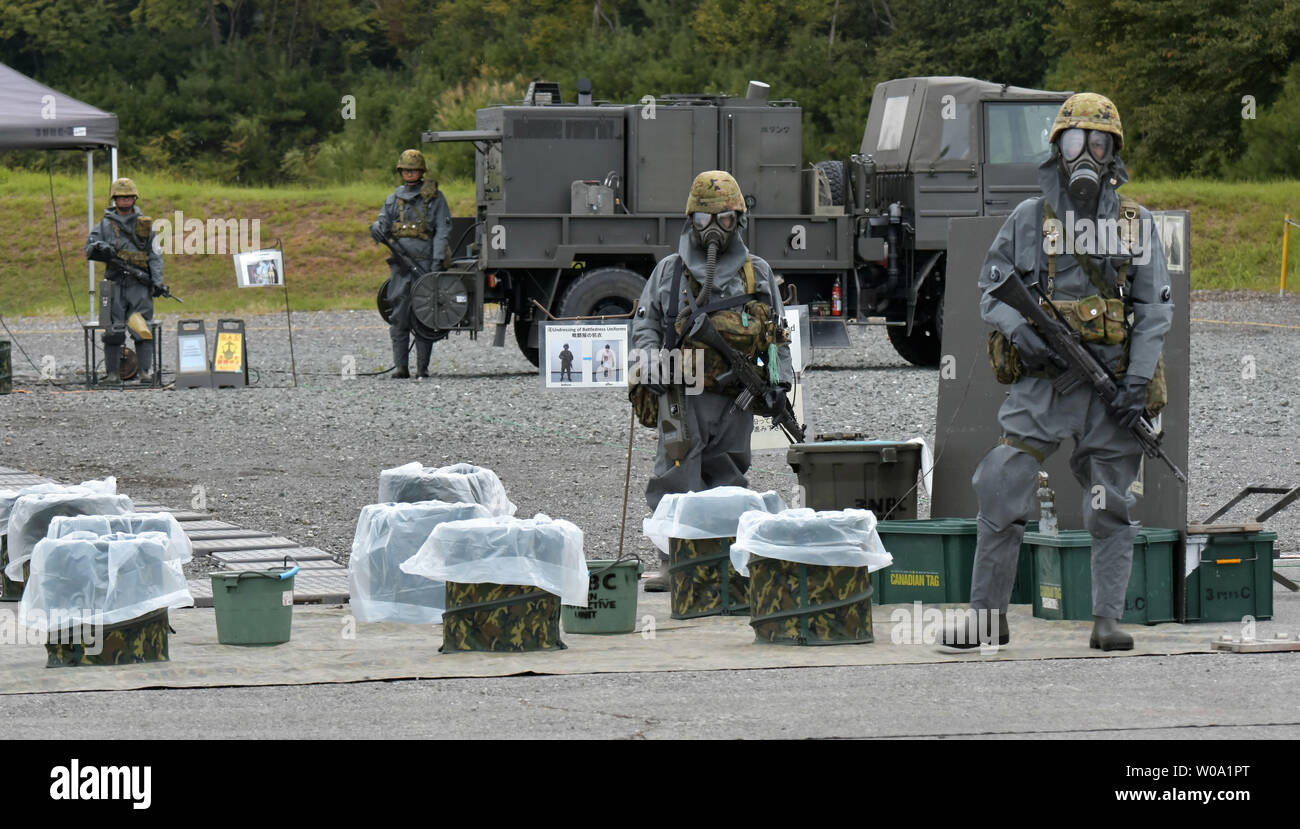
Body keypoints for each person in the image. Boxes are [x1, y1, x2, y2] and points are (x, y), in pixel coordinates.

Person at [943, 93, 1172, 651]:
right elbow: (991, 292)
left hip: (1111, 384)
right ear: (1057, 150)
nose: (1086, 155)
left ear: (1113, 153)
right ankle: (985, 618)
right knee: (1001, 482)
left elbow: (1155, 310)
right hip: (1043, 385)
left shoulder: (1135, 224)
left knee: (1110, 501)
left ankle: (1106, 622)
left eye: (1099, 143)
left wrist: (1137, 383)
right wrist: (1024, 335)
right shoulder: (1028, 219)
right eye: (1075, 142)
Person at [629, 170, 793, 590]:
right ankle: (673, 562)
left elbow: (777, 335)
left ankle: (725, 560)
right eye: (703, 220)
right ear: (690, 221)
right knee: (675, 477)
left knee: (730, 477)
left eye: (723, 219)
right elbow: (645, 326)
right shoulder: (670, 272)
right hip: (681, 396)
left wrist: (778, 381)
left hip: (734, 396)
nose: (714, 230)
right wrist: (652, 366)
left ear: (738, 221)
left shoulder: (756, 273)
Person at [370, 149, 452, 379]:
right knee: (399, 314)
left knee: (424, 315)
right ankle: (401, 367)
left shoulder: (435, 198)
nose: (409, 173)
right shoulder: (394, 198)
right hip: (400, 266)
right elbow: (383, 222)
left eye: (413, 170)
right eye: (406, 170)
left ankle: (422, 368)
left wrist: (436, 263)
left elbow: (443, 231)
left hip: (425, 266)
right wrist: (377, 227)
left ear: (421, 171)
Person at [85, 177, 164, 385]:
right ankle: (113, 374)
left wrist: (157, 280)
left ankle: (144, 373)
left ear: (135, 198)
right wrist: (101, 248)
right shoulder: (104, 225)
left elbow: (155, 254)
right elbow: (89, 248)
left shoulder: (145, 225)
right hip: (113, 282)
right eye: (121, 197)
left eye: (129, 197)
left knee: (142, 328)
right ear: (114, 199)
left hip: (138, 285)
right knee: (112, 329)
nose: (125, 201)